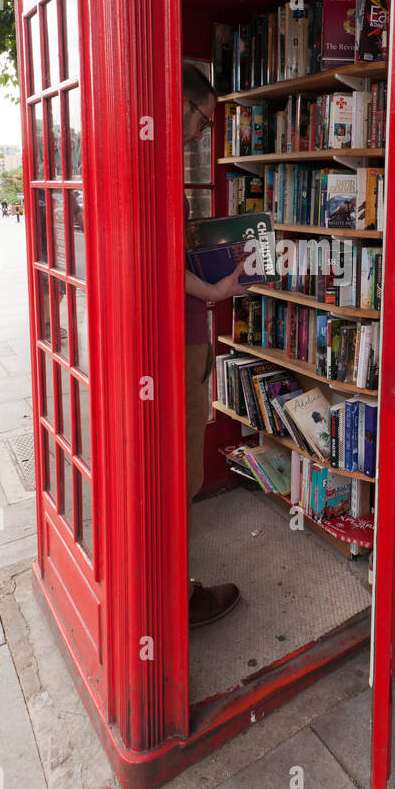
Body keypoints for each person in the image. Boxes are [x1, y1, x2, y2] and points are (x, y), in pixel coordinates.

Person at [183, 59, 246, 628]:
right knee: (183, 470)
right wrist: (216, 288)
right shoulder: (158, 166)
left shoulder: (153, 162)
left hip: (172, 338)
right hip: (177, 341)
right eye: (205, 118)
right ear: (186, 103)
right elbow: (161, 260)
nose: (206, 131)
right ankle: (178, 594)